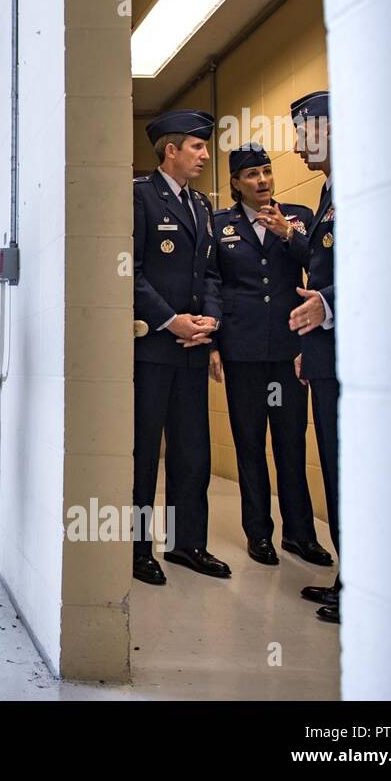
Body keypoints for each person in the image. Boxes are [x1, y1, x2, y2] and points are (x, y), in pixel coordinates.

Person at [209, 143, 331, 569]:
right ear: (236, 184)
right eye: (252, 175)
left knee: (291, 441)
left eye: (266, 172)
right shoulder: (219, 223)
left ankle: (300, 535)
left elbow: (318, 264)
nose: (262, 181)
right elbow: (213, 283)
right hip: (241, 351)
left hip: (288, 350)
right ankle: (259, 533)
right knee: (248, 443)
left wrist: (287, 234)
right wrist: (214, 344)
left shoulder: (298, 216)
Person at [132, 109, 228, 585]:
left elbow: (210, 273)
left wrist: (210, 319)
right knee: (145, 452)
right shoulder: (140, 197)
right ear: (171, 150)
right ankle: (137, 548)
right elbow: (133, 271)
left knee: (193, 451)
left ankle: (189, 544)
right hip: (153, 349)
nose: (206, 154)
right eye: (197, 146)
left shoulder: (202, 207)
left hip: (192, 347)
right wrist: (171, 321)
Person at [288, 90, 341, 624]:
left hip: (356, 364)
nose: (299, 145)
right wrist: (312, 344)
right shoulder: (330, 190)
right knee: (333, 466)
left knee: (351, 470)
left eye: (305, 132)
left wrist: (328, 308)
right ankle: (351, 578)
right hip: (327, 356)